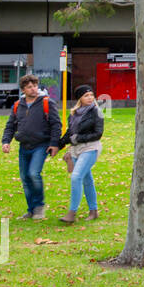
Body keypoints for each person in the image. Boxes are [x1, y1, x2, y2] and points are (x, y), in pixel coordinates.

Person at [0, 74, 60, 220]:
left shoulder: (47, 103)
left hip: (41, 144)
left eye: (34, 86)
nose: (33, 89)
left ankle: (39, 207)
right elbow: (11, 125)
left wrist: (54, 143)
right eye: (29, 87)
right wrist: (6, 141)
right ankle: (31, 209)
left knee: (34, 174)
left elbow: (56, 125)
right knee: (25, 178)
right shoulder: (17, 105)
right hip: (24, 145)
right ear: (23, 90)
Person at [57, 85, 105, 224]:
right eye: (86, 96)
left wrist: (78, 138)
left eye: (91, 95)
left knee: (76, 177)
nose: (90, 98)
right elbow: (69, 133)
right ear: (80, 99)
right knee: (86, 179)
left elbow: (98, 133)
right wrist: (57, 146)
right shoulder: (74, 114)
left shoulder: (97, 112)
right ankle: (93, 211)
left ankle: (72, 213)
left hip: (90, 147)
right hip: (76, 149)